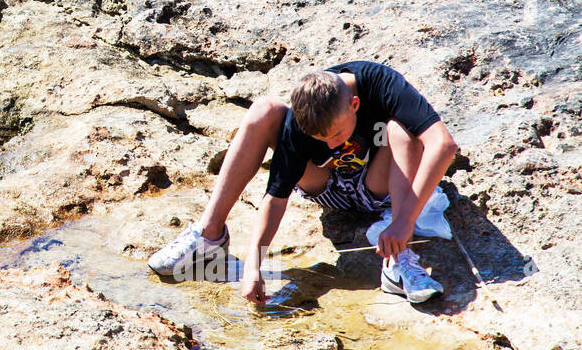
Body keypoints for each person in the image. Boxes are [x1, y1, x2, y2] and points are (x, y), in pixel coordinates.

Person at [148, 60, 459, 305]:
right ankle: (209, 236)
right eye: (321, 138)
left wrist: (404, 222)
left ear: (354, 104)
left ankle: (396, 260)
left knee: (401, 128)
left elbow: (443, 145)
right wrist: (254, 265)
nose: (333, 142)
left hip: (382, 188)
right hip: (328, 190)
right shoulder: (304, 115)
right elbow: (276, 197)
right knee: (264, 111)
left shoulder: (380, 83)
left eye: (337, 133)